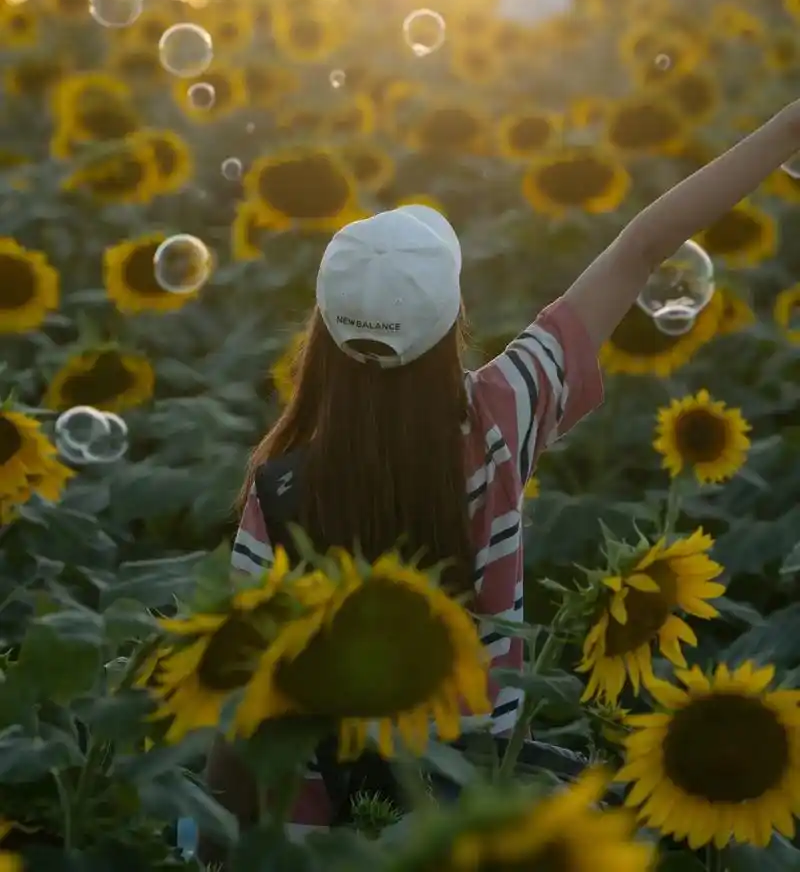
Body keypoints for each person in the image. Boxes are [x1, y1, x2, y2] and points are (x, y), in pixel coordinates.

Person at [200, 100, 800, 851]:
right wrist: (785, 131)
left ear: (320, 334)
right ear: (453, 320)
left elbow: (244, 705)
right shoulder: (499, 420)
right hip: (467, 819)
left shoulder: (281, 490)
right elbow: (643, 246)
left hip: (317, 834)